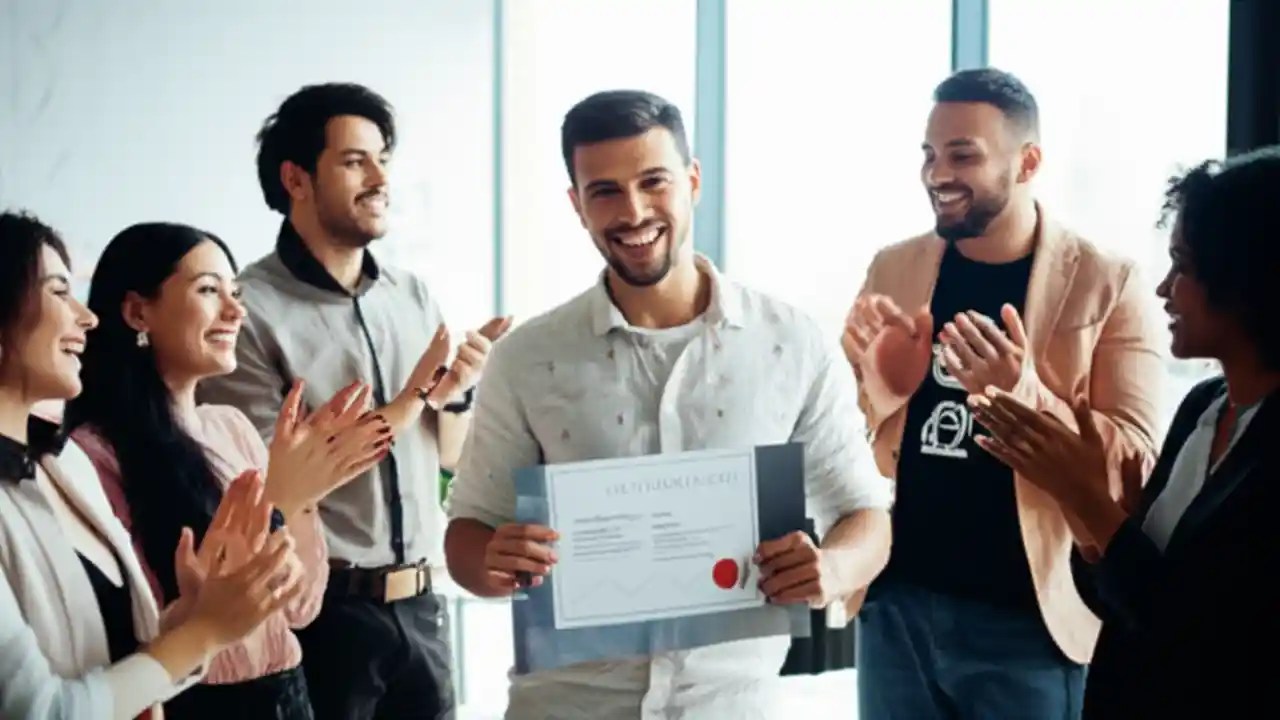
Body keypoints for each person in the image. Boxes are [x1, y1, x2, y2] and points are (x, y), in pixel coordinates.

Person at [444, 89, 895, 720]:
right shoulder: (526, 358)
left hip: (734, 705)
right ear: (577, 206)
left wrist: (835, 568)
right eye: (604, 191)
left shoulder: (789, 342)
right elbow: (468, 534)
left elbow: (866, 513)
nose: (633, 211)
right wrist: (491, 565)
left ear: (692, 181)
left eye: (653, 182)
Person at [840, 68, 1165, 719]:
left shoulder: (1111, 282)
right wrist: (883, 393)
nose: (937, 173)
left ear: (1028, 162)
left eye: (963, 154)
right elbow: (865, 452)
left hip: (1030, 625)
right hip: (895, 611)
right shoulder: (894, 268)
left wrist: (1023, 395)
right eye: (930, 154)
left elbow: (1136, 468)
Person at [199, 82, 507, 719]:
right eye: (354, 161)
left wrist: (450, 399)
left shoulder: (412, 296)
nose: (379, 178)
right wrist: (417, 394)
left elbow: (447, 455)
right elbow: (275, 480)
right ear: (296, 179)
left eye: (383, 159)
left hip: (423, 608)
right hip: (323, 614)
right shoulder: (247, 311)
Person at [969, 146, 1280, 719]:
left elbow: (1194, 632)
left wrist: (1083, 495)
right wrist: (1095, 521)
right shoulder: (1202, 408)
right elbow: (1118, 599)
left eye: (1183, 266)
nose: (1164, 289)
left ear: (1246, 277)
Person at [64, 222, 391, 719]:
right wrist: (277, 503)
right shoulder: (92, 456)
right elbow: (138, 627)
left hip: (289, 694)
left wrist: (300, 500)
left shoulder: (232, 428)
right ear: (137, 312)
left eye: (235, 292)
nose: (236, 311)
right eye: (209, 290)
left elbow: (299, 608)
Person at [0, 209, 305, 719]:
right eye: (58, 292)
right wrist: (204, 632)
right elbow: (44, 710)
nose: (86, 317)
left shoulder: (61, 463)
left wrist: (195, 614)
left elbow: (125, 650)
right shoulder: (93, 452)